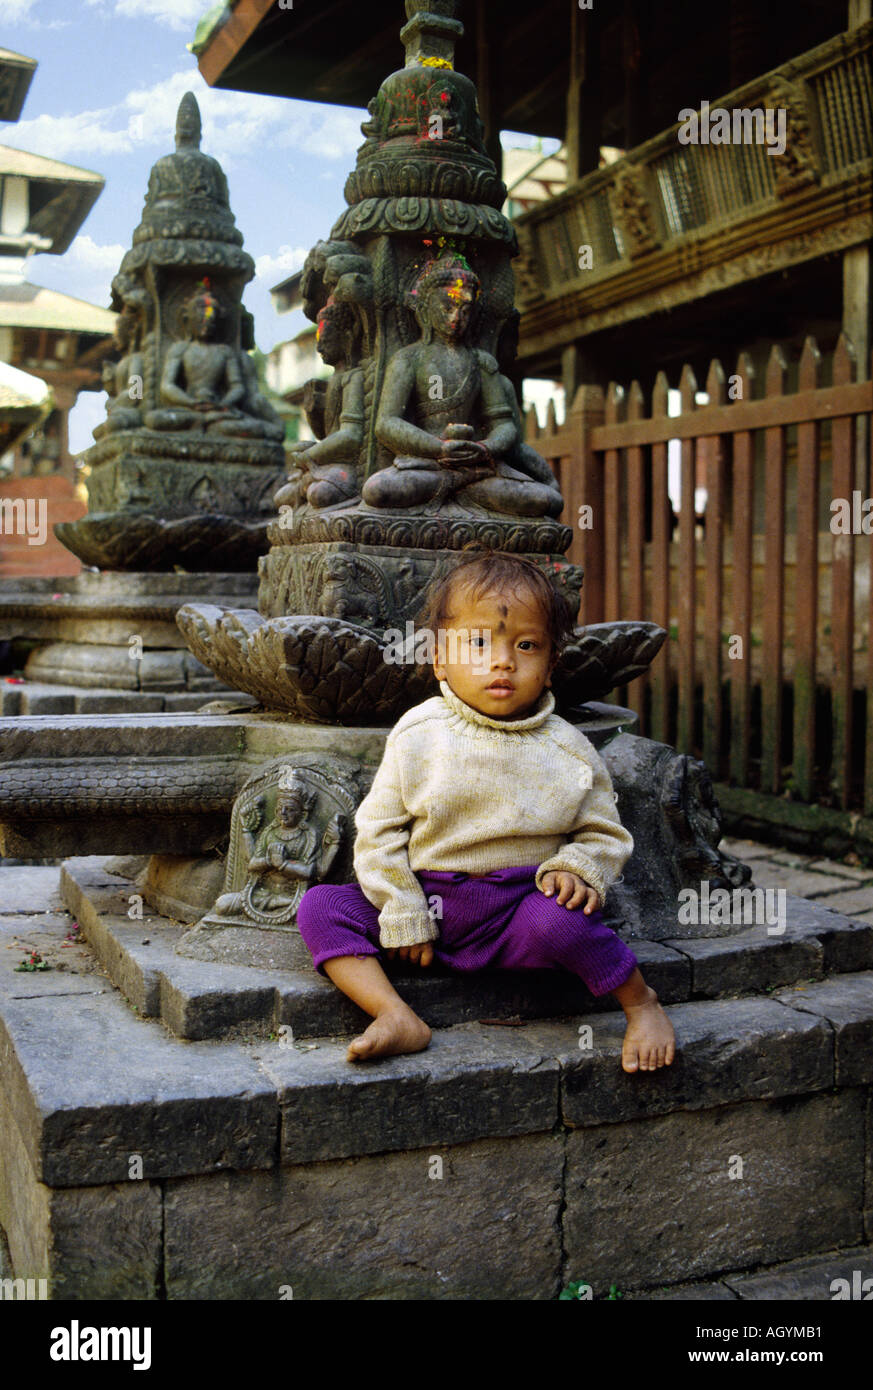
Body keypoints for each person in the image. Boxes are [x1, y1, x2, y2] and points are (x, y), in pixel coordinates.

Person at [297, 550, 676, 1073]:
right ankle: (395, 1015)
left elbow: (603, 832)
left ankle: (641, 1003)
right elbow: (378, 832)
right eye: (478, 643)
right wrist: (403, 909)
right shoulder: (419, 733)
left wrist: (578, 868)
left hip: (521, 911)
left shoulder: (566, 747)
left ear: (550, 667)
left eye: (526, 645)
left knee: (563, 924)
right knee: (321, 908)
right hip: (430, 908)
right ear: (439, 659)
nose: (503, 661)